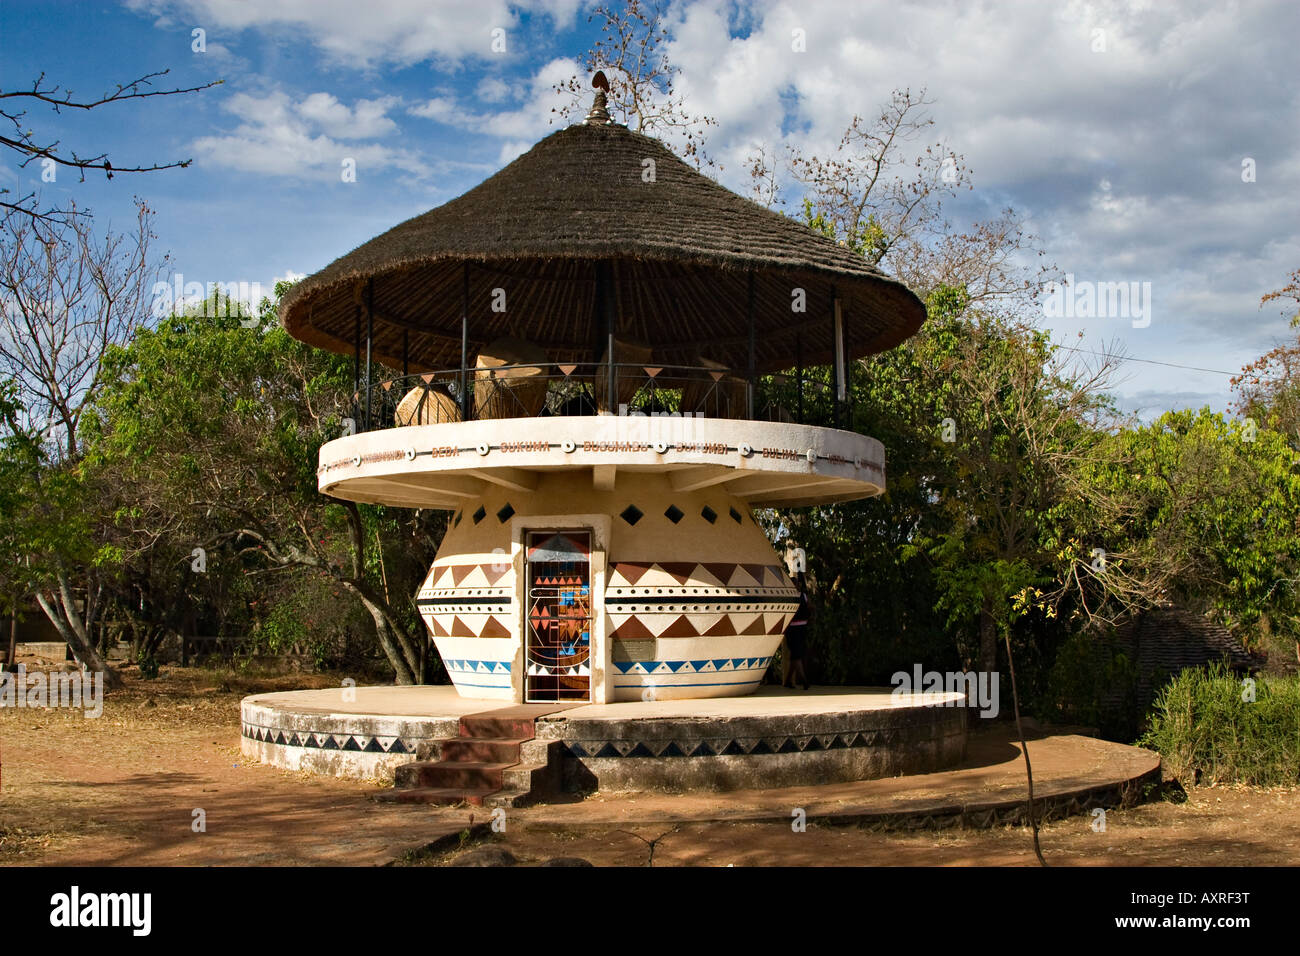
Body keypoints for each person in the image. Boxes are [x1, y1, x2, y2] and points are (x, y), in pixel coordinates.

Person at [782, 579, 812, 691]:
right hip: (795, 628)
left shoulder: (799, 596)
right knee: (796, 655)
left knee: (796, 655)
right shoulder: (799, 596)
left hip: (797, 628)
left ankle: (789, 680)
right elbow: (810, 607)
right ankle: (803, 680)